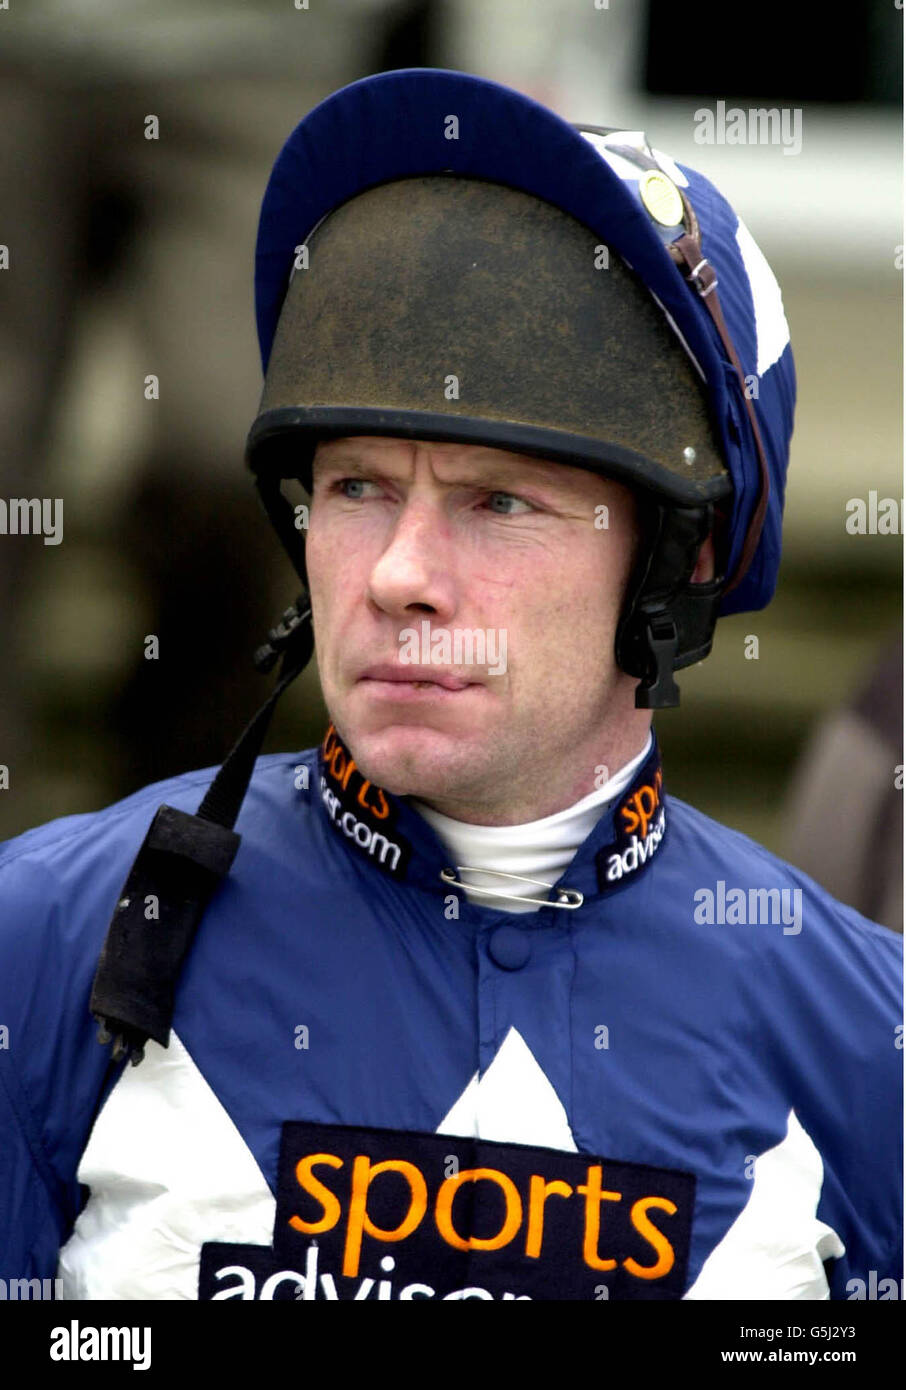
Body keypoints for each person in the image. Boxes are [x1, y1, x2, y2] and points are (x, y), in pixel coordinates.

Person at [0, 69, 900, 1303]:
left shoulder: (865, 1038)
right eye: (359, 485)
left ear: (676, 562)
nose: (401, 575)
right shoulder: (47, 940)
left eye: (498, 501)